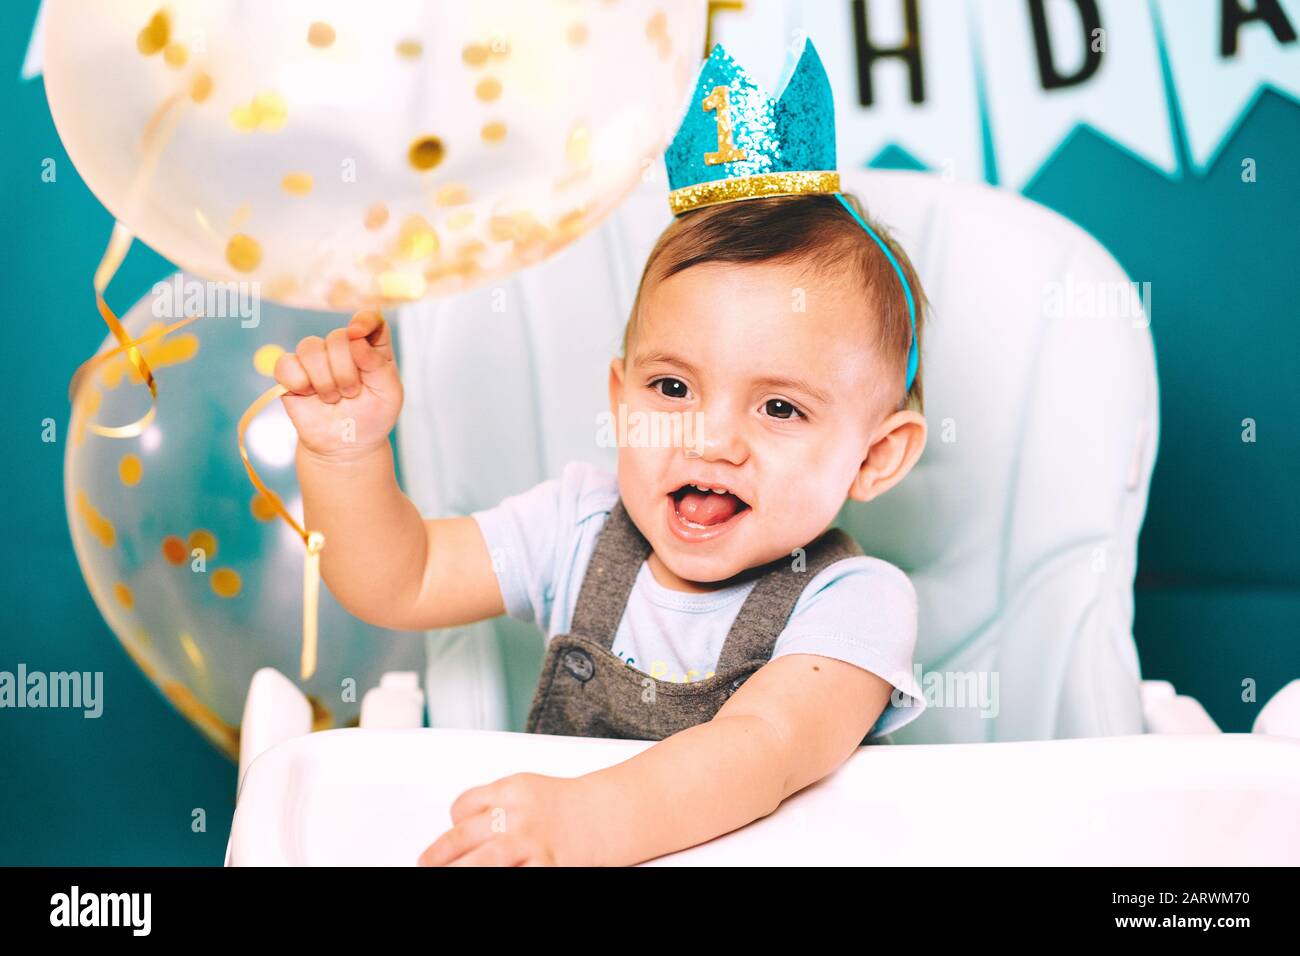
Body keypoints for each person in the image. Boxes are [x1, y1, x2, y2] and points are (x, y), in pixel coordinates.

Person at [274, 40, 930, 866]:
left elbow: (765, 748)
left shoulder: (855, 604)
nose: (709, 438)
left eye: (778, 406)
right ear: (621, 400)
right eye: (672, 389)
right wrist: (347, 458)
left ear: (877, 457)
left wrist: (591, 823)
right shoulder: (577, 530)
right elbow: (397, 579)